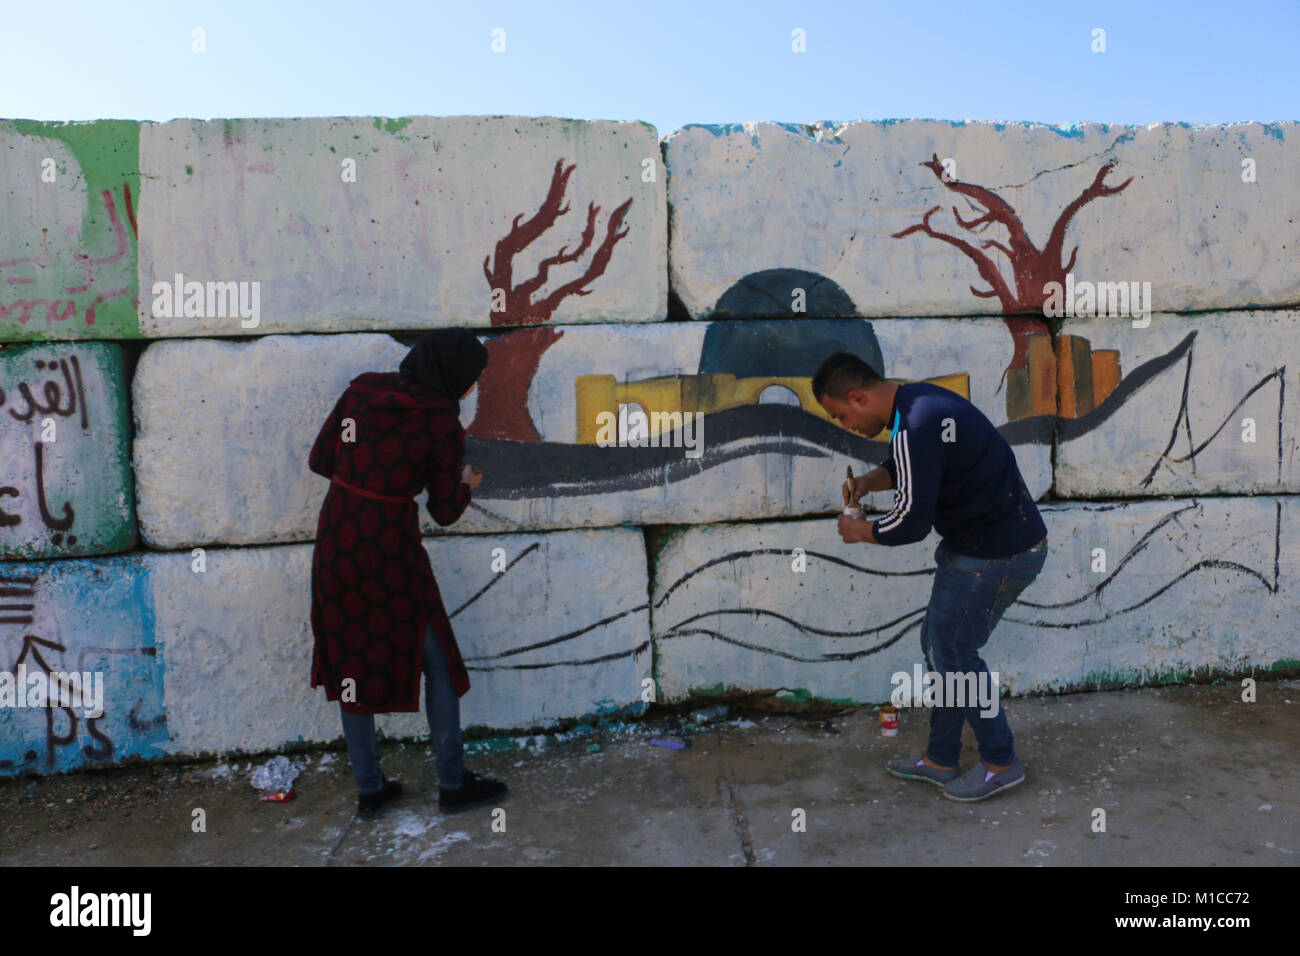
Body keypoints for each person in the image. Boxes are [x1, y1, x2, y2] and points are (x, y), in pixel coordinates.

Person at [812, 351, 1048, 802]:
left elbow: (910, 525)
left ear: (858, 397)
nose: (844, 425)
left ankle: (1001, 761)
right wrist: (867, 483)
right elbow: (912, 468)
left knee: (954, 654)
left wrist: (858, 531)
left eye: (841, 415)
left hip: (994, 554)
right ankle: (941, 759)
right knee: (941, 649)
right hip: (995, 546)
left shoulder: (913, 427)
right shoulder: (918, 403)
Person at [307, 328, 507, 816]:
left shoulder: (361, 392)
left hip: (337, 538)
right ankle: (453, 783)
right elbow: (443, 510)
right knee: (437, 658)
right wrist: (467, 481)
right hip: (391, 545)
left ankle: (370, 790)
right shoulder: (440, 421)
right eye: (471, 379)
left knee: (351, 659)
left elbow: (321, 459)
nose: (470, 389)